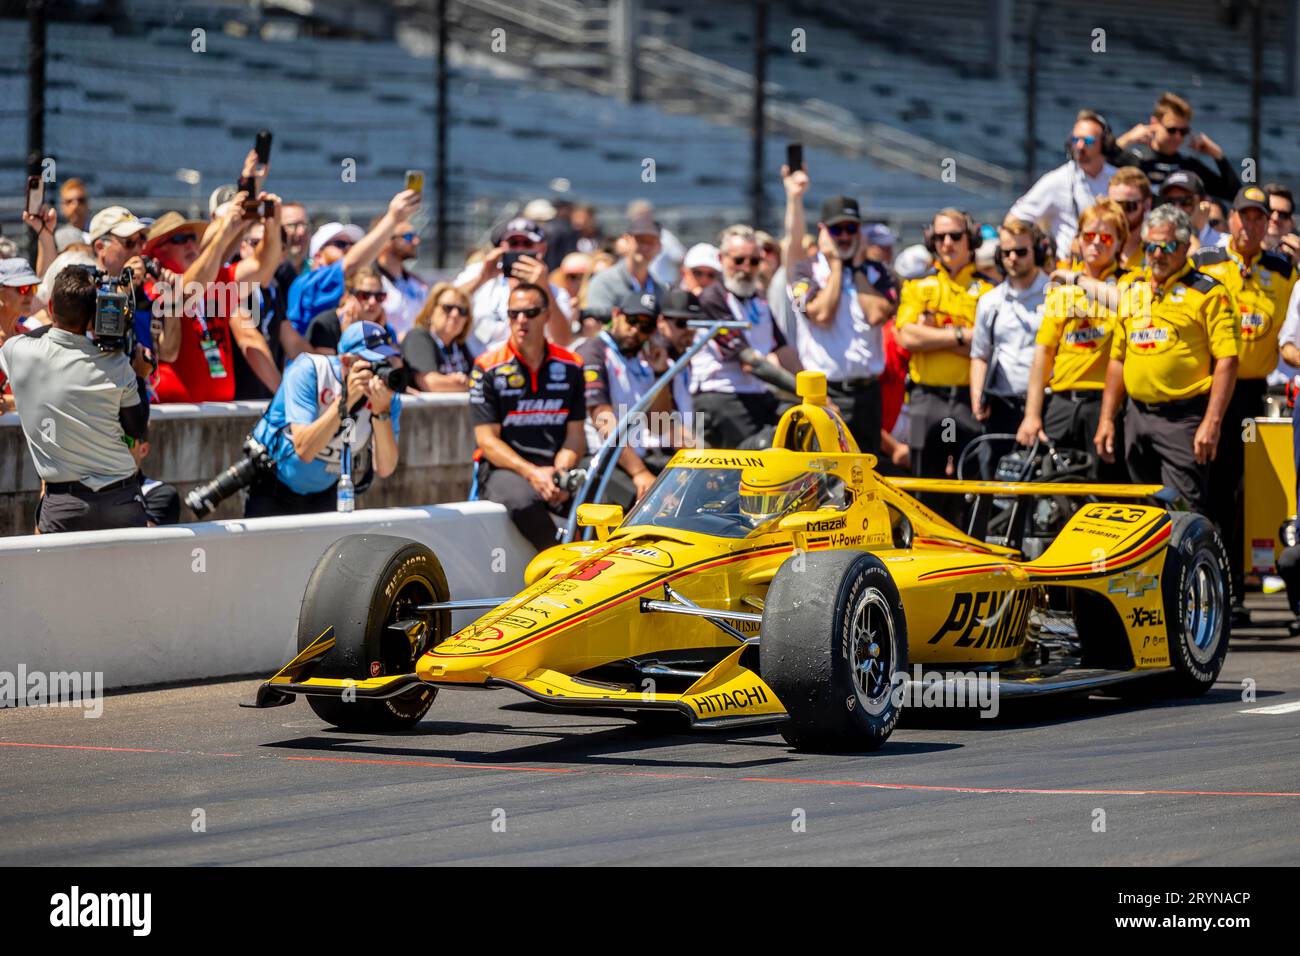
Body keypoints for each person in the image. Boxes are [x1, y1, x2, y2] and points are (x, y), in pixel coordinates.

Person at [1192, 186, 1297, 618]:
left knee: (1260, 492)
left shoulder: (1282, 268)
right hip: (1219, 390)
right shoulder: (1207, 264)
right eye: (1245, 216)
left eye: (1261, 217)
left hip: (1262, 392)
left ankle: (1261, 577)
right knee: (1218, 489)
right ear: (1232, 219)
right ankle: (1222, 586)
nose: (1252, 225)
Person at [1092, 205, 1238, 514]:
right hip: (1135, 416)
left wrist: (1212, 423)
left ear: (1185, 247)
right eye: (1151, 247)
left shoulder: (1208, 292)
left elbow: (1227, 359)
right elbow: (1118, 358)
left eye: (1168, 246)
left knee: (1183, 512)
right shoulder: (1132, 288)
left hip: (1182, 419)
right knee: (1140, 512)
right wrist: (1106, 418)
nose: (1158, 254)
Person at [0, 267, 148, 532]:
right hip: (122, 500)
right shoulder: (117, 364)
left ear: (50, 306)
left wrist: (69, 317)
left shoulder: (17, 351)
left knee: (52, 575)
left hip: (63, 505)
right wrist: (140, 377)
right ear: (93, 316)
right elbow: (137, 430)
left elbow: (35, 334)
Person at [470, 282, 586, 551]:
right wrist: (533, 474)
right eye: (514, 314)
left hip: (556, 464)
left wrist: (561, 470)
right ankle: (563, 563)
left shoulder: (572, 365)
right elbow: (486, 440)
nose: (521, 320)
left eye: (530, 313)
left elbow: (576, 435)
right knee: (525, 501)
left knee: (604, 495)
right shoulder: (487, 367)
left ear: (547, 315)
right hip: (505, 468)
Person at [1019, 200, 1130, 479]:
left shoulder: (1132, 282)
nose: (1096, 244)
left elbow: (1125, 305)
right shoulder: (1062, 290)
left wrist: (1078, 279)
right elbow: (1044, 352)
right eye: (1088, 236)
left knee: (1104, 490)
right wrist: (1032, 415)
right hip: (1062, 403)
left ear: (1119, 243)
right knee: (1053, 492)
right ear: (1078, 239)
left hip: (1105, 404)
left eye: (1105, 237)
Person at [246, 321, 403, 517]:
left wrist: (381, 412)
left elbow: (386, 468)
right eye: (372, 364)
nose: (378, 373)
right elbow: (304, 449)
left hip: (328, 491)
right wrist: (345, 402)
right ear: (346, 362)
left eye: (384, 362)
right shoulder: (310, 371)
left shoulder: (386, 396)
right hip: (274, 486)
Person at [787, 193, 895, 454]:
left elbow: (876, 315)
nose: (845, 236)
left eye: (851, 228)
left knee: (866, 473)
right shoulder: (805, 270)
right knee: (823, 477)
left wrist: (857, 270)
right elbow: (821, 315)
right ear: (823, 230)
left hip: (868, 393)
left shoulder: (877, 271)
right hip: (824, 394)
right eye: (837, 229)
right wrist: (835, 265)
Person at [895, 210, 996, 488]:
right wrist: (964, 336)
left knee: (973, 488)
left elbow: (988, 348)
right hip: (926, 398)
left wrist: (934, 336)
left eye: (955, 236)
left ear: (971, 239)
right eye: (940, 237)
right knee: (925, 490)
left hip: (970, 401)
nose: (947, 243)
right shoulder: (917, 286)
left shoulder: (989, 291)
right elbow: (907, 338)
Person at [146, 203, 281, 402]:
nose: (191, 245)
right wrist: (224, 232)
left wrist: (273, 224)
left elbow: (262, 265)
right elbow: (189, 289)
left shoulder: (215, 282)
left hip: (219, 412)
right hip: (171, 415)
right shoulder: (153, 287)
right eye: (179, 239)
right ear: (158, 252)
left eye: (192, 238)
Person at [693, 225, 801, 449]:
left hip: (757, 393)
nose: (746, 268)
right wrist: (804, 391)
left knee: (800, 428)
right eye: (738, 260)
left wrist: (818, 388)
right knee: (761, 453)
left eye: (754, 261)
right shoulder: (713, 298)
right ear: (721, 259)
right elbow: (751, 362)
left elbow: (783, 351)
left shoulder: (758, 300)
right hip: (721, 394)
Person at [577, 291, 673, 508]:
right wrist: (639, 472)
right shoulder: (593, 352)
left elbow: (660, 423)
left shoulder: (644, 360)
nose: (636, 330)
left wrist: (660, 375)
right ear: (616, 314)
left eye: (645, 326)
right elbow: (603, 421)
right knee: (658, 507)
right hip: (600, 458)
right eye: (632, 320)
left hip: (637, 456)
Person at [286, 188, 421, 335]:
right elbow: (351, 264)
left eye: (353, 245)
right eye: (340, 244)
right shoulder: (308, 284)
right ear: (318, 256)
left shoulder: (356, 295)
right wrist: (393, 217)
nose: (349, 249)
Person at [969, 222, 1052, 439]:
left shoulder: (1056, 295)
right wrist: (977, 394)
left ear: (1038, 252)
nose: (1013, 258)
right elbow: (980, 354)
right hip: (1001, 405)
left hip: (1048, 404)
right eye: (1006, 252)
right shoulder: (989, 301)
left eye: (1021, 251)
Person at [454, 217, 574, 353]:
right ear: (502, 246)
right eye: (514, 243)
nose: (520, 249)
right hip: (480, 367)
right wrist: (482, 278)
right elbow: (441, 304)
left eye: (527, 244)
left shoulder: (554, 292)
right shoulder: (479, 273)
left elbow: (563, 340)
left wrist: (543, 287)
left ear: (542, 248)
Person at [1007, 110, 1118, 255]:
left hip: (1111, 268)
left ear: (1104, 144)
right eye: (1075, 139)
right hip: (1068, 269)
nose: (1079, 146)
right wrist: (1040, 250)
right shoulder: (1057, 180)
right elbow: (1014, 218)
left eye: (1088, 141)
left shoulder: (1118, 180)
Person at [1114, 92, 1240, 203]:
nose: (1178, 137)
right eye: (1171, 130)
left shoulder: (1189, 166)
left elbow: (1235, 196)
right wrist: (1127, 138)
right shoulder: (1135, 160)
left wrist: (1218, 155)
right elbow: (1098, 171)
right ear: (1154, 123)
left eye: (1183, 131)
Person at [584, 212, 663, 318]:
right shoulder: (605, 282)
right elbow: (597, 326)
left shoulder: (661, 289)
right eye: (640, 240)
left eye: (651, 242)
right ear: (626, 240)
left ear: (660, 246)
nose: (645, 247)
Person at [403, 282, 475, 391]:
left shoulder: (458, 344)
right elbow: (430, 383)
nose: (455, 314)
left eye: (462, 311)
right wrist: (468, 385)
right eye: (448, 308)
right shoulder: (418, 336)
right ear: (431, 310)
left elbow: (479, 378)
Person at [306, 267, 387, 354]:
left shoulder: (381, 328)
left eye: (379, 296)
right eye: (364, 295)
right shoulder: (324, 326)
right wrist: (347, 337)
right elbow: (328, 367)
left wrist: (378, 338)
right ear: (348, 295)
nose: (372, 302)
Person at [374, 217, 428, 341]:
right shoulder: (369, 286)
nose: (416, 241)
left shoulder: (417, 284)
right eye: (408, 237)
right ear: (386, 240)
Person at [127, 428, 181, 526]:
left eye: (125, 440)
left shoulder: (160, 492)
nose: (115, 448)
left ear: (143, 450)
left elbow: (147, 536)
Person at [1159, 170, 1222, 250]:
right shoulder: (1154, 245)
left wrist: (1194, 230)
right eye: (1170, 202)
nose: (1177, 208)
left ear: (1202, 202)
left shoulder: (1225, 245)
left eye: (1186, 201)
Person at [1107, 166, 1153, 271]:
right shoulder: (1096, 244)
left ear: (1147, 204)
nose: (1121, 212)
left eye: (1129, 206)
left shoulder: (1155, 250)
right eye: (1114, 205)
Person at [1263, 184, 1300, 264]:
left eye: (1283, 215)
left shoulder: (1297, 255)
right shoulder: (1235, 249)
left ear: (1292, 223)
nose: (1275, 218)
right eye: (1269, 211)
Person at [55, 178, 91, 251]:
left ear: (88, 204)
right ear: (62, 206)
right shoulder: (56, 237)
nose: (75, 205)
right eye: (69, 201)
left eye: (81, 200)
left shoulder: (99, 232)